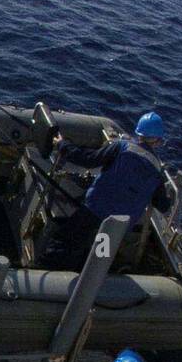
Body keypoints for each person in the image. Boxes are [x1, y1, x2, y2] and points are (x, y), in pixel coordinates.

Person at [37, 112, 172, 271]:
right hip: (118, 226)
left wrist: (62, 145)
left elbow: (88, 159)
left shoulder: (121, 147)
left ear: (139, 133)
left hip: (94, 210)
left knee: (65, 241)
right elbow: (163, 205)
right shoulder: (157, 171)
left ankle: (46, 271)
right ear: (157, 141)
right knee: (100, 255)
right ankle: (91, 277)